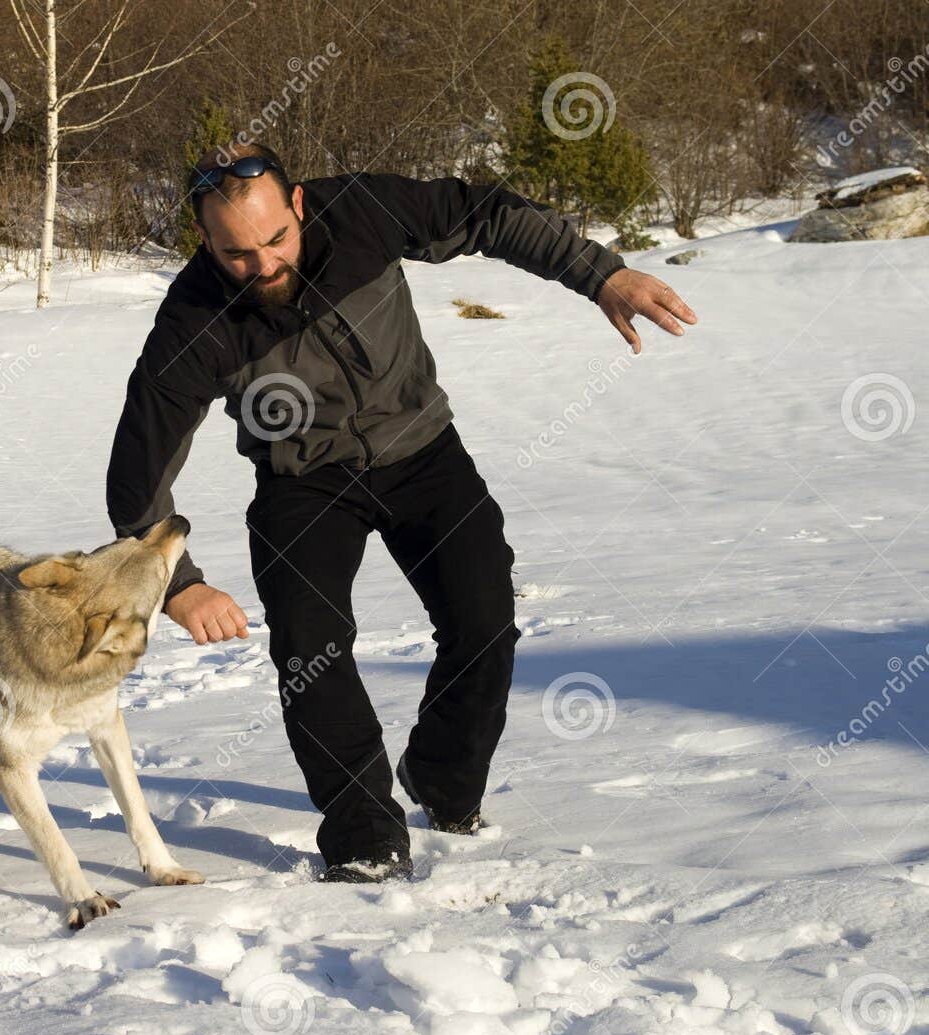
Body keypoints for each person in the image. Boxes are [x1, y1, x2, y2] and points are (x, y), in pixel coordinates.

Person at [105, 142, 697, 883]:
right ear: (205, 242)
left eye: (274, 241)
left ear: (298, 206)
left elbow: (488, 214)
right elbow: (138, 472)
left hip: (420, 450)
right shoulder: (195, 319)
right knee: (309, 645)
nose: (261, 266)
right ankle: (363, 834)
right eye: (235, 253)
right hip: (303, 481)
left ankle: (442, 780)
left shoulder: (363, 211)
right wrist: (179, 582)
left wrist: (601, 274)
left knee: (482, 617)